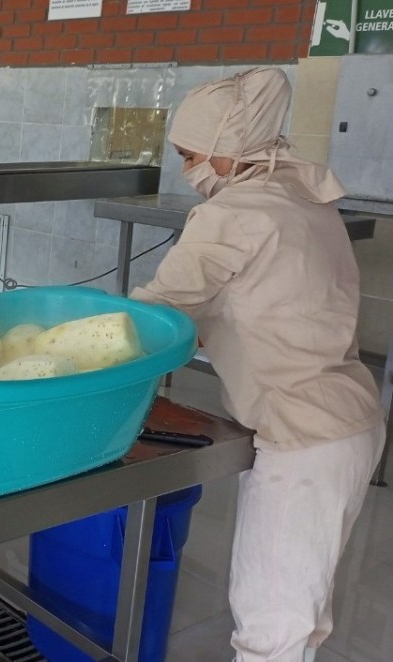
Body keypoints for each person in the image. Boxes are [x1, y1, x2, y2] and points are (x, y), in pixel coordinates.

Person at [130, 68, 385, 662]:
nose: (187, 169)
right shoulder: (305, 199)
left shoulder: (233, 215)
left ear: (223, 154)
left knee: (273, 626)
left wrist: (71, 341)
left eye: (190, 155)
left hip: (303, 439)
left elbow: (157, 312)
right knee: (299, 606)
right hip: (347, 421)